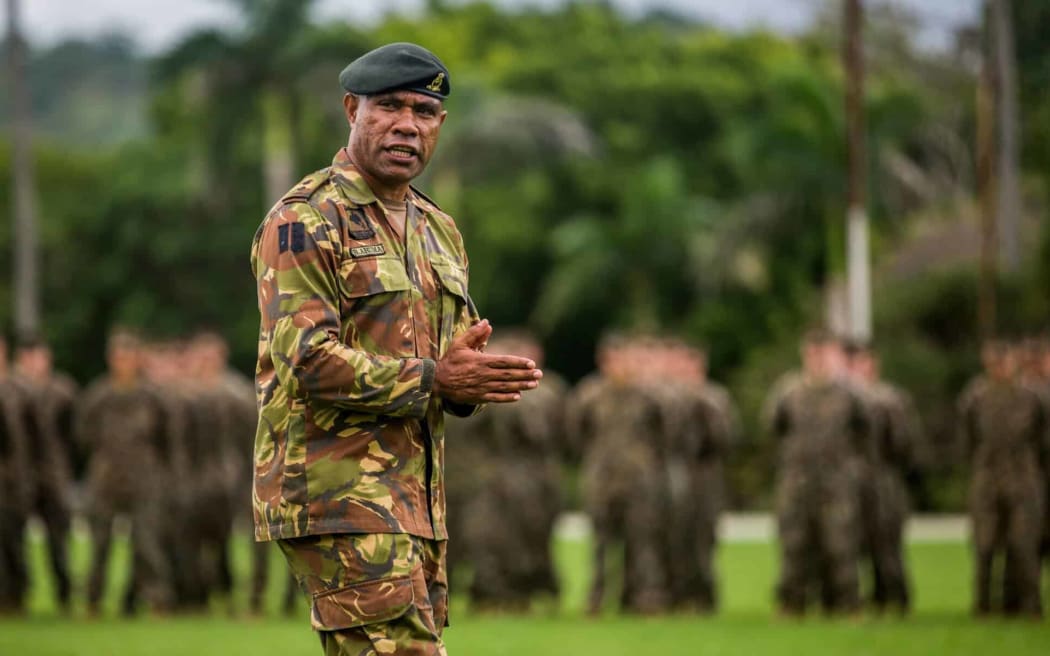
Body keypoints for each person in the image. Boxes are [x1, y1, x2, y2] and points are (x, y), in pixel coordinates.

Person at [250, 42, 542, 655]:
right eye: (389, 107)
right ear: (352, 109)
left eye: (425, 111)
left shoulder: (437, 229)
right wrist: (437, 378)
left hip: (416, 501)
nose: (408, 124)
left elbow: (446, 366)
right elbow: (306, 360)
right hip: (338, 492)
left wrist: (470, 383)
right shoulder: (306, 219)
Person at [764, 330, 869, 616]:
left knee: (841, 544)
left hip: (837, 482)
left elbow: (865, 433)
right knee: (795, 543)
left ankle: (845, 603)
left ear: (835, 355)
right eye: (813, 353)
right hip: (797, 481)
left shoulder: (851, 394)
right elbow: (774, 430)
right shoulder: (788, 392)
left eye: (825, 353)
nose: (819, 359)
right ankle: (792, 603)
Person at [958, 339, 1046, 617]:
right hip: (987, 480)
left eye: (1003, 362)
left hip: (1023, 480)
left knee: (1023, 545)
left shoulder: (1033, 397)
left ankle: (1027, 605)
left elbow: (1043, 441)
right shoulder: (975, 397)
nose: (999, 368)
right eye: (993, 363)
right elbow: (967, 440)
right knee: (983, 546)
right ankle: (983, 605)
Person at [13, 337, 79, 612]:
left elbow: (74, 435)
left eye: (39, 357)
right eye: (29, 358)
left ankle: (65, 594)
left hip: (54, 474)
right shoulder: (9, 391)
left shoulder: (63, 391)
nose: (35, 364)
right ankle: (16, 595)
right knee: (14, 540)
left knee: (58, 538)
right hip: (18, 476)